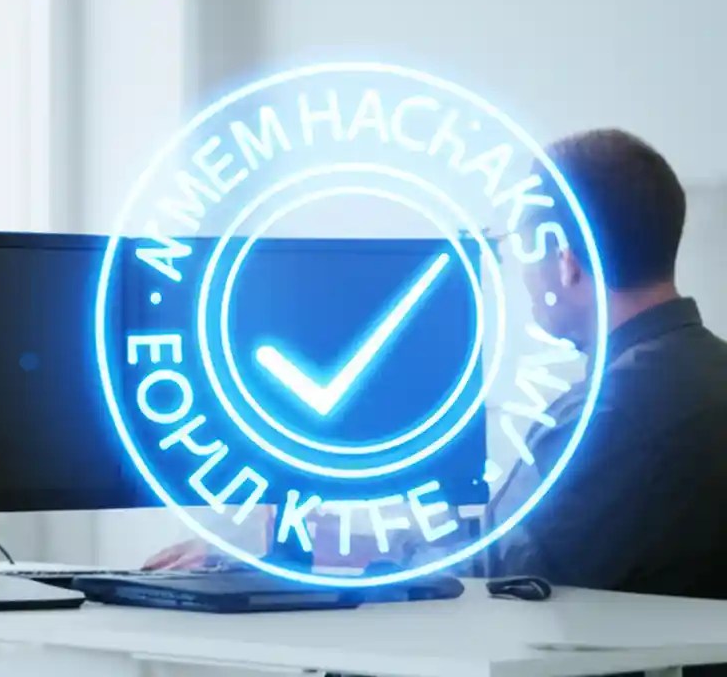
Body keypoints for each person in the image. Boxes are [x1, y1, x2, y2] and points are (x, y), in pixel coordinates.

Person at [144, 129, 727, 599]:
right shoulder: (693, 372)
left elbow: (510, 569)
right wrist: (354, 542)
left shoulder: (619, 408)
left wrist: (334, 555)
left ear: (567, 265)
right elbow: (521, 545)